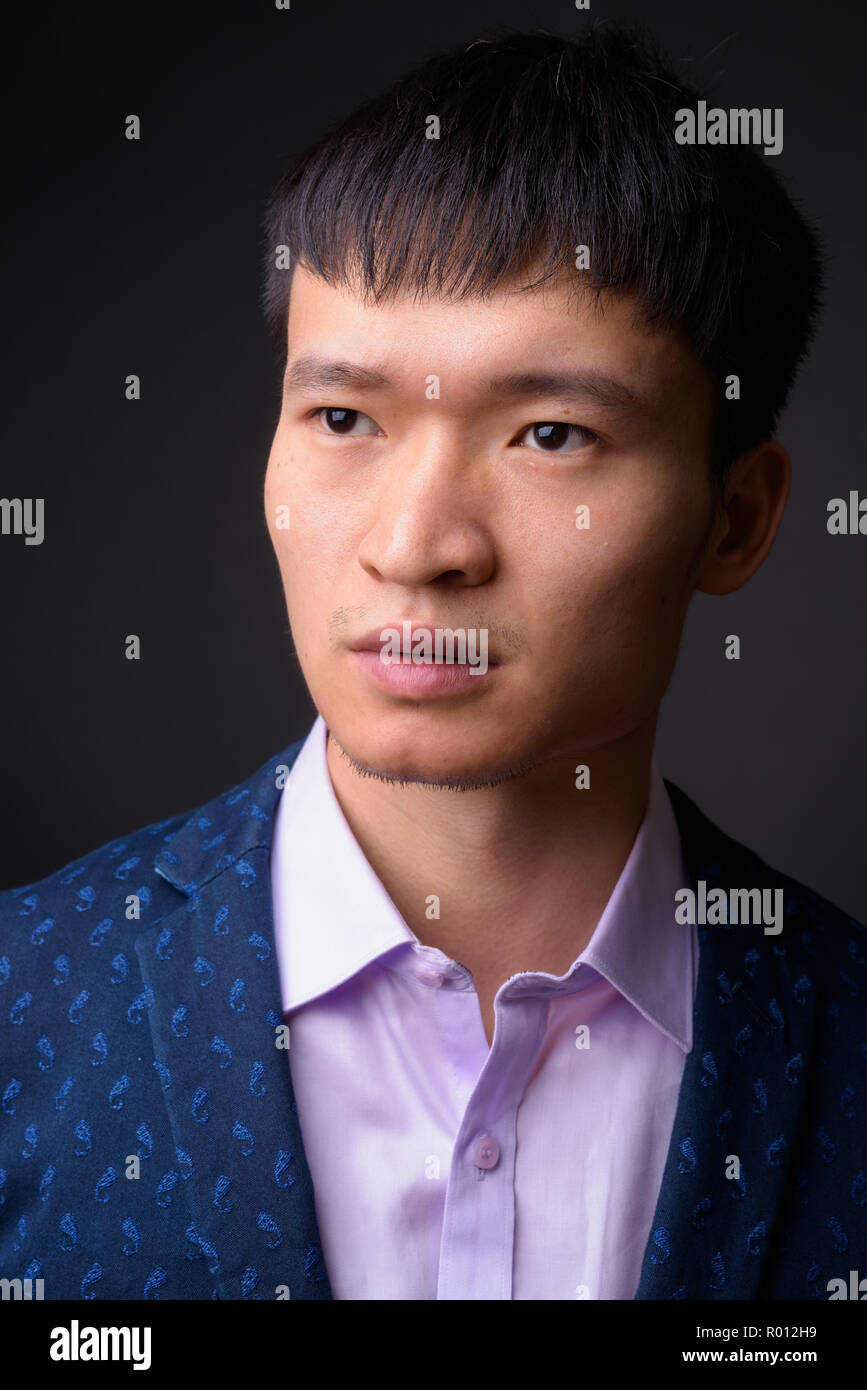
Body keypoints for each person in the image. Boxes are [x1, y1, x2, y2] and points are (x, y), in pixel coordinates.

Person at [1, 25, 863, 1302]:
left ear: (734, 517)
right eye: (344, 418)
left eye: (552, 434)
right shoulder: (25, 998)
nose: (416, 548)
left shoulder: (841, 1030)